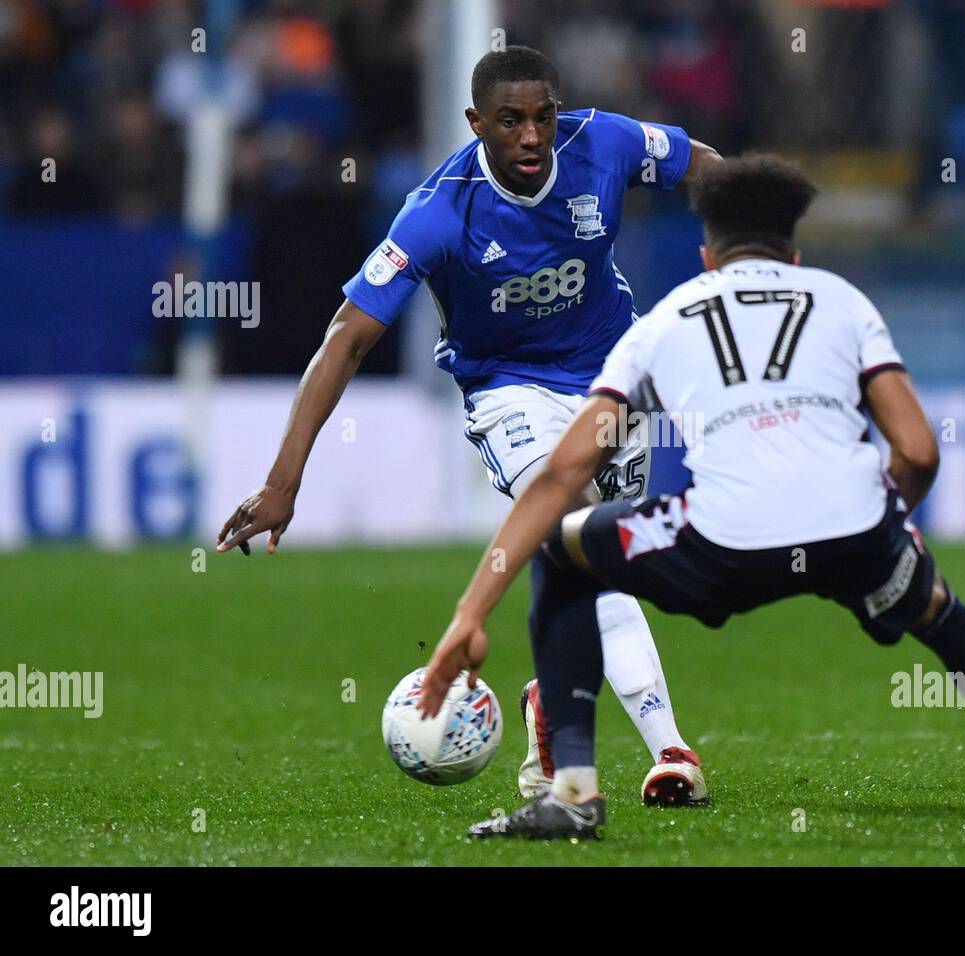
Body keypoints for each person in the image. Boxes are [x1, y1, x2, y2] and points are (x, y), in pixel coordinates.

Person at [417, 154, 965, 841]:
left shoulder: (666, 319)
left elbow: (562, 473)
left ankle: (573, 792)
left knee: (566, 550)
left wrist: (470, 613)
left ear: (706, 256)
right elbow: (918, 450)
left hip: (721, 539)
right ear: (792, 256)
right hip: (853, 527)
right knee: (941, 613)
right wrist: (889, 534)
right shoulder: (843, 302)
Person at [217, 46, 723, 806]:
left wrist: (753, 244)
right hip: (509, 394)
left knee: (625, 558)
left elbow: (703, 164)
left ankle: (550, 700)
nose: (529, 136)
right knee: (585, 536)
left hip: (620, 379)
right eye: (510, 121)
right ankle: (673, 752)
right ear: (476, 122)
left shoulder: (604, 143)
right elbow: (347, 337)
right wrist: (282, 484)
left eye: (542, 118)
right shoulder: (439, 211)